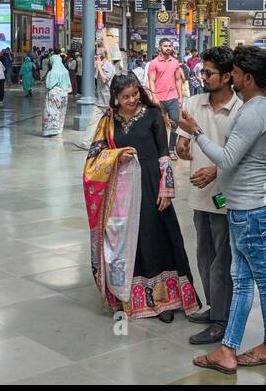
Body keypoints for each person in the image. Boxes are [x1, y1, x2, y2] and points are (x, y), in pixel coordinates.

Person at [177, 46, 266, 374]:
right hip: (247, 204)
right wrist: (251, 170)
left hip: (251, 209)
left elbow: (224, 159)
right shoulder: (262, 107)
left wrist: (196, 132)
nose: (232, 77)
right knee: (247, 278)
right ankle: (231, 348)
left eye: (235, 73)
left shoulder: (251, 111)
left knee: (260, 279)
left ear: (247, 77)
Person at [82, 74, 200, 322]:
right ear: (116, 97)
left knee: (155, 237)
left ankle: (164, 300)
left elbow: (163, 153)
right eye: (126, 97)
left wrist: (166, 188)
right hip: (121, 191)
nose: (132, 100)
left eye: (135, 94)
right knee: (127, 241)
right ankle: (127, 296)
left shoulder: (152, 115)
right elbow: (94, 156)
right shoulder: (108, 120)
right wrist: (117, 155)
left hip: (150, 184)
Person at [175, 46, 242, 347]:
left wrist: (216, 170)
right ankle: (215, 307)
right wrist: (180, 147)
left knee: (222, 260)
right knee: (204, 254)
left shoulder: (241, 111)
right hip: (199, 195)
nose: (203, 77)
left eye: (209, 73)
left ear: (228, 76)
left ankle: (221, 321)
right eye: (202, 72)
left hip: (226, 196)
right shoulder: (193, 102)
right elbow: (182, 141)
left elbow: (241, 156)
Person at [146, 38, 187, 151]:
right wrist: (154, 97)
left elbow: (178, 79)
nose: (168, 48)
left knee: (175, 122)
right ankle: (160, 148)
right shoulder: (154, 63)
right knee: (159, 125)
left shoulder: (175, 62)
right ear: (159, 48)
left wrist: (180, 97)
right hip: (158, 98)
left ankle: (171, 148)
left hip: (172, 97)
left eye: (169, 46)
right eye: (165, 46)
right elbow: (151, 81)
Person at [42, 49, 72, 138]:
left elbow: (49, 85)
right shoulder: (65, 71)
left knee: (52, 112)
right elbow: (69, 85)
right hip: (64, 94)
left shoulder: (52, 72)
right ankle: (59, 130)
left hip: (54, 94)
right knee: (61, 113)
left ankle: (52, 131)